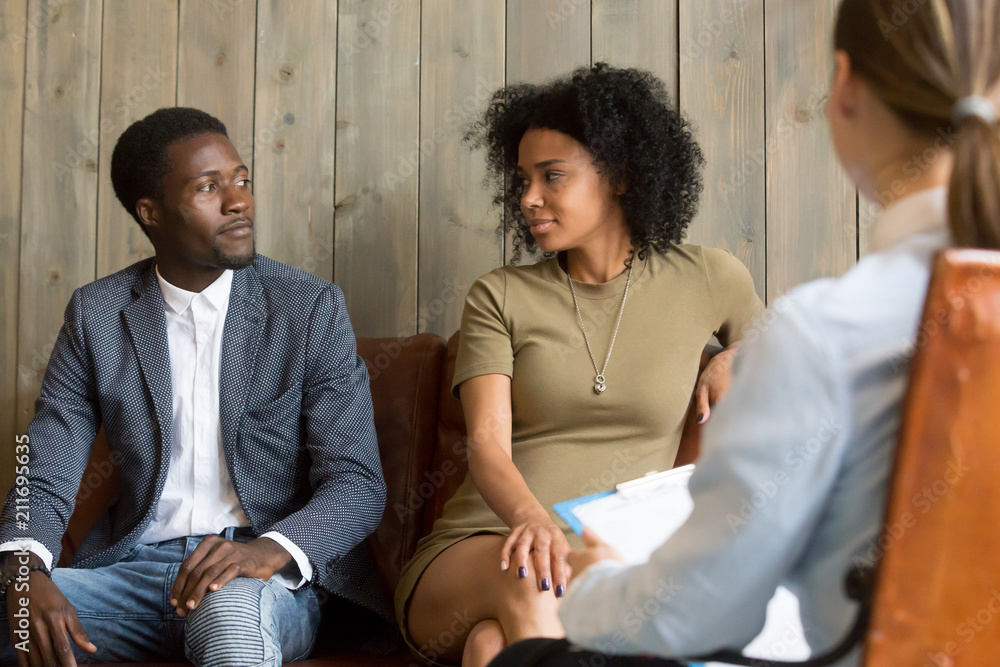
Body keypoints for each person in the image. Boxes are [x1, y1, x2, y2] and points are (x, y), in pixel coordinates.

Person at [490, 0, 1000, 665]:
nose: (531, 197)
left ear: (844, 88)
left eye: (551, 176)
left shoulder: (822, 334)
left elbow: (695, 613)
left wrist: (593, 588)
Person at [395, 64, 764, 667]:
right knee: (535, 578)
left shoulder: (707, 278)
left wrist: (739, 355)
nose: (528, 198)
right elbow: (487, 446)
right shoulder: (500, 296)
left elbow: (788, 341)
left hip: (608, 559)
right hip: (485, 546)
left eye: (552, 176)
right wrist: (534, 523)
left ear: (619, 176)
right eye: (523, 179)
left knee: (491, 649)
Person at [0, 108, 388, 667]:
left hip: (255, 577)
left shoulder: (307, 307)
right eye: (209, 187)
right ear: (150, 212)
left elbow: (356, 482)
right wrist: (25, 570)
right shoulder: (98, 314)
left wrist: (265, 551)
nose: (238, 201)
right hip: (128, 574)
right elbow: (41, 464)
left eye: (241, 180)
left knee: (231, 620)